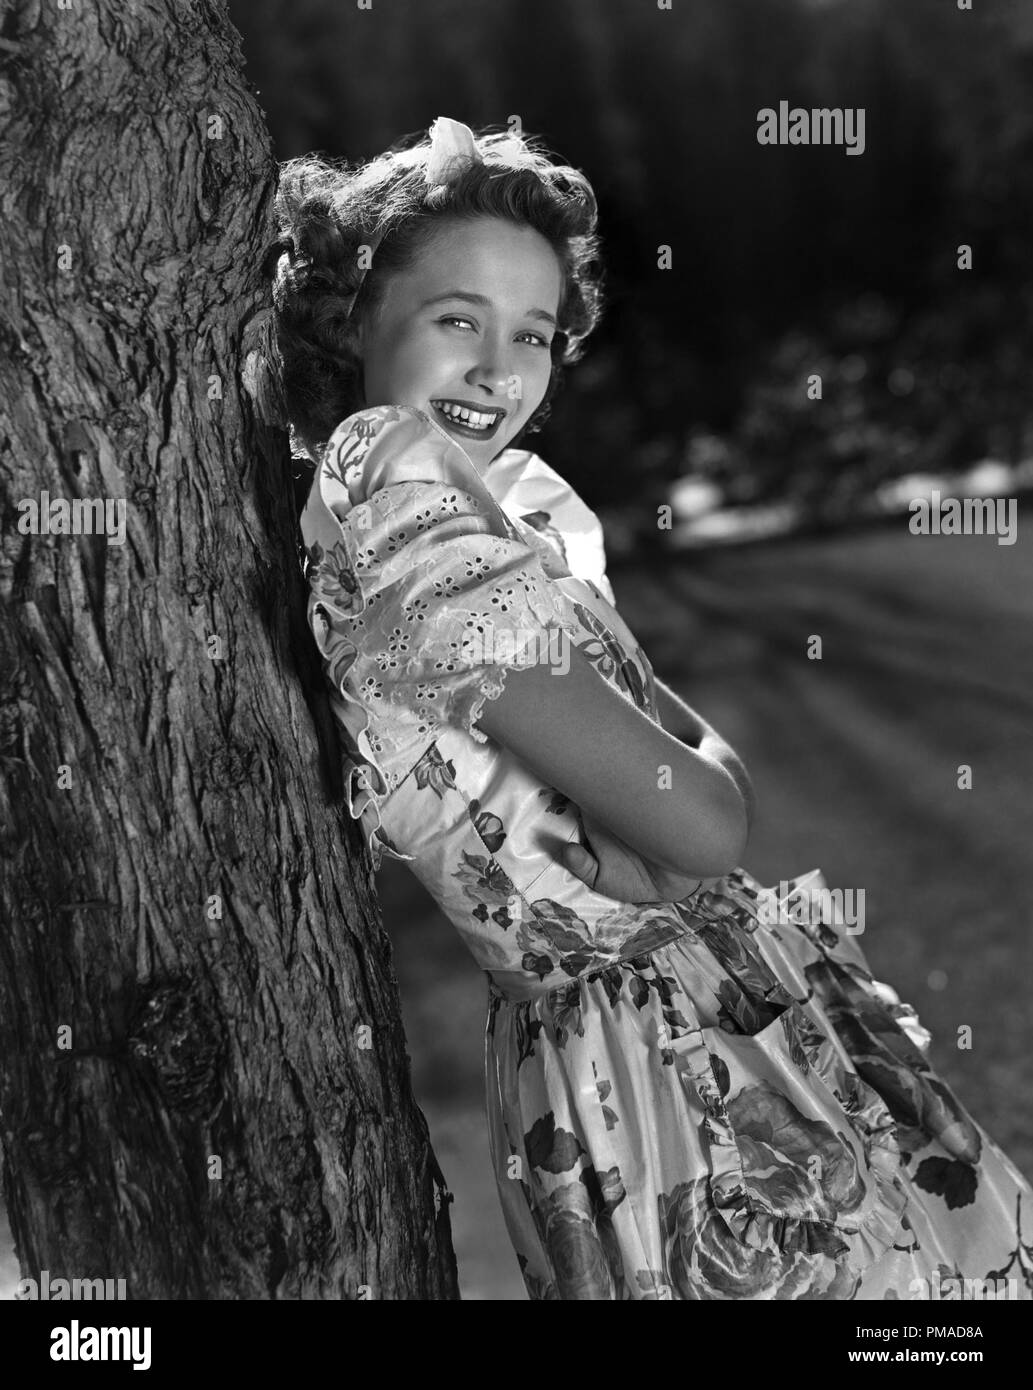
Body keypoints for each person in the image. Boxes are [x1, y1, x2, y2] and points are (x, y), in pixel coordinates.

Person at [263, 117, 1033, 1300]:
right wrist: (686, 831)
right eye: (454, 318)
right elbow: (706, 823)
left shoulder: (499, 507)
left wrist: (687, 822)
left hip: (701, 990)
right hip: (651, 1044)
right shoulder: (389, 477)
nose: (498, 368)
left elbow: (685, 762)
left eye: (531, 333)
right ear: (355, 319)